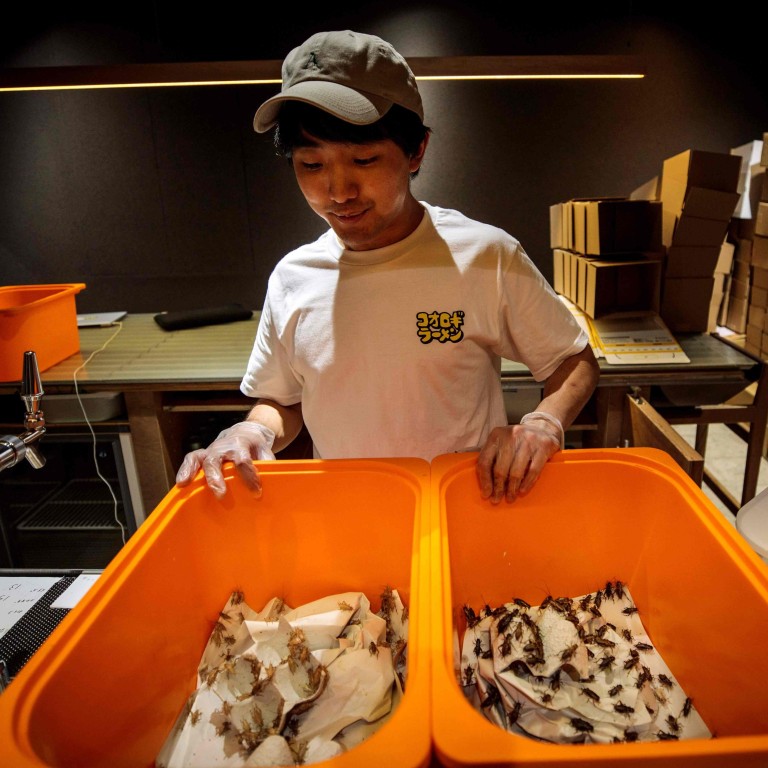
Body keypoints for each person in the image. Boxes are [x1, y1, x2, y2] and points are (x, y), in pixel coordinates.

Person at [176, 29, 600, 504]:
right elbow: (282, 399)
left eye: (363, 159)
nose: (338, 191)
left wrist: (544, 423)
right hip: (350, 514)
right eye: (311, 165)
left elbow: (572, 359)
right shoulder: (294, 278)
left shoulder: (485, 256)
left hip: (464, 506)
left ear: (417, 149)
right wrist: (252, 430)